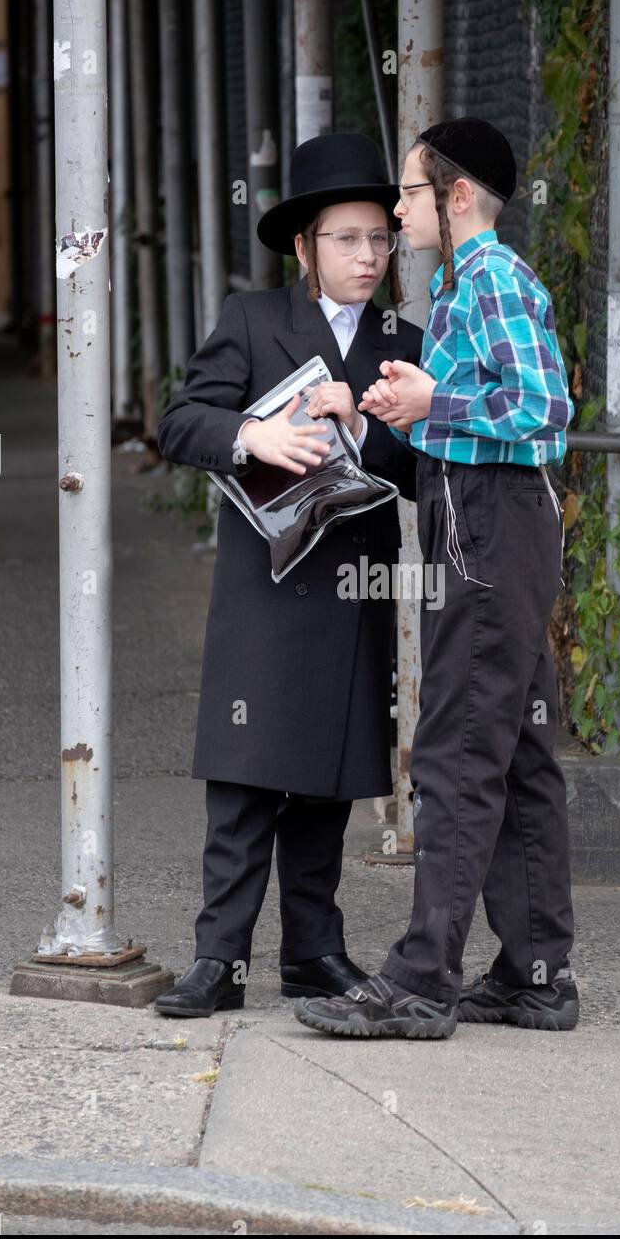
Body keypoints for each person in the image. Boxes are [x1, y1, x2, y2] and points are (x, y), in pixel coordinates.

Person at [293, 117, 579, 1039]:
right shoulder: (465, 283)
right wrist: (394, 409)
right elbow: (474, 417)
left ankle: (420, 980)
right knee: (519, 753)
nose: (397, 208)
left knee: (455, 751)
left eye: (410, 194)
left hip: (491, 529)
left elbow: (545, 408)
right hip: (490, 523)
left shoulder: (492, 276)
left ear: (457, 197)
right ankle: (536, 976)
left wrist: (432, 399)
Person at [153, 132, 421, 1018]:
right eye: (347, 238)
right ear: (304, 247)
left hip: (354, 595)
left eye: (380, 238)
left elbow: (427, 472)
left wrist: (384, 426)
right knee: (244, 781)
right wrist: (250, 436)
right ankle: (217, 960)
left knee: (326, 783)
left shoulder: (405, 341)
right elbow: (180, 422)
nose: (368, 255)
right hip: (264, 594)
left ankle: (314, 953)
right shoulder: (252, 320)